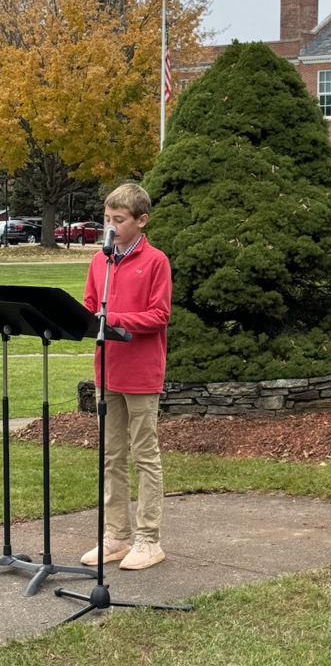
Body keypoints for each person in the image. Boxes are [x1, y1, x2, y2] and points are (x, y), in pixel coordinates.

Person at [80, 183, 172, 571]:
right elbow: (88, 306)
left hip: (141, 374)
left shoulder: (155, 261)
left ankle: (148, 539)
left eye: (119, 220)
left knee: (144, 455)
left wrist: (113, 319)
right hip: (107, 371)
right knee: (111, 457)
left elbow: (158, 315)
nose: (111, 227)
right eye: (107, 219)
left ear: (141, 220)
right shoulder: (100, 261)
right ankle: (116, 535)